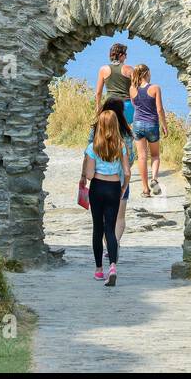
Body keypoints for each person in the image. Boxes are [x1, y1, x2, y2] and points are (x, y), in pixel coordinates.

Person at [81, 108, 131, 286]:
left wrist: (89, 166)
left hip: (98, 187)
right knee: (110, 229)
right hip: (114, 187)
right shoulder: (121, 146)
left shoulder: (92, 147)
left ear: (100, 126)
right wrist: (123, 187)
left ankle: (99, 270)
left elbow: (89, 175)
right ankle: (113, 266)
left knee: (98, 229)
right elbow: (127, 171)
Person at [89, 98, 135, 247]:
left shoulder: (96, 130)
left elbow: (90, 152)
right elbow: (131, 158)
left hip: (99, 180)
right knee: (119, 217)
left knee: (103, 219)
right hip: (120, 180)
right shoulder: (126, 133)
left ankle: (109, 245)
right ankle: (114, 244)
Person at [129, 63, 167, 197]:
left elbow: (135, 106)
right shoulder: (155, 88)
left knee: (142, 157)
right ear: (146, 73)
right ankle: (154, 179)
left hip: (137, 124)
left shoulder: (132, 89)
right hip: (152, 124)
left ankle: (145, 190)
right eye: (149, 73)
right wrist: (164, 125)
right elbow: (159, 109)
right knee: (155, 155)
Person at [95, 42, 135, 125]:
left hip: (110, 106)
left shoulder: (103, 69)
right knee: (126, 133)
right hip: (127, 106)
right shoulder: (130, 69)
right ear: (120, 55)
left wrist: (98, 107)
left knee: (110, 132)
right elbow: (135, 91)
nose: (126, 57)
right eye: (125, 54)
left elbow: (98, 92)